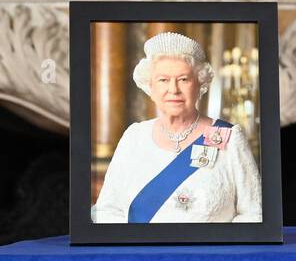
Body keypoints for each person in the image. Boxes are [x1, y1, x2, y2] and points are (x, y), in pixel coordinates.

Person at [93, 31, 262, 223]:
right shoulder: (134, 137)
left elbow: (254, 214)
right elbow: (107, 210)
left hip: (209, 253)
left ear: (200, 84)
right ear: (151, 87)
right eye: (163, 80)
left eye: (183, 79)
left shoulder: (228, 137)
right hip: (142, 252)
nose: (173, 89)